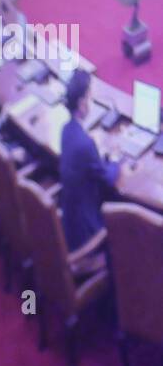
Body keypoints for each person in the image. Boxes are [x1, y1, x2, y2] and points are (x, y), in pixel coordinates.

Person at [60, 69, 122, 252]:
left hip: (70, 216)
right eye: (90, 98)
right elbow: (108, 179)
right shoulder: (85, 144)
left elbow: (89, 166)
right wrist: (116, 160)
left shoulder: (67, 130)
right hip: (86, 229)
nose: (92, 102)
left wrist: (102, 156)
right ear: (81, 103)